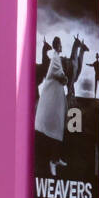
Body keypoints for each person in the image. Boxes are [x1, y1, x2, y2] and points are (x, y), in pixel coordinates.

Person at [34, 37, 68, 175]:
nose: (61, 48)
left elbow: (58, 75)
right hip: (53, 100)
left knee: (59, 127)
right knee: (56, 127)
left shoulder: (56, 58)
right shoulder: (55, 58)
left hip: (57, 98)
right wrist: (64, 78)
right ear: (57, 46)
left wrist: (63, 78)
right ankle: (52, 161)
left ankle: (56, 158)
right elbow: (58, 74)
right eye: (60, 45)